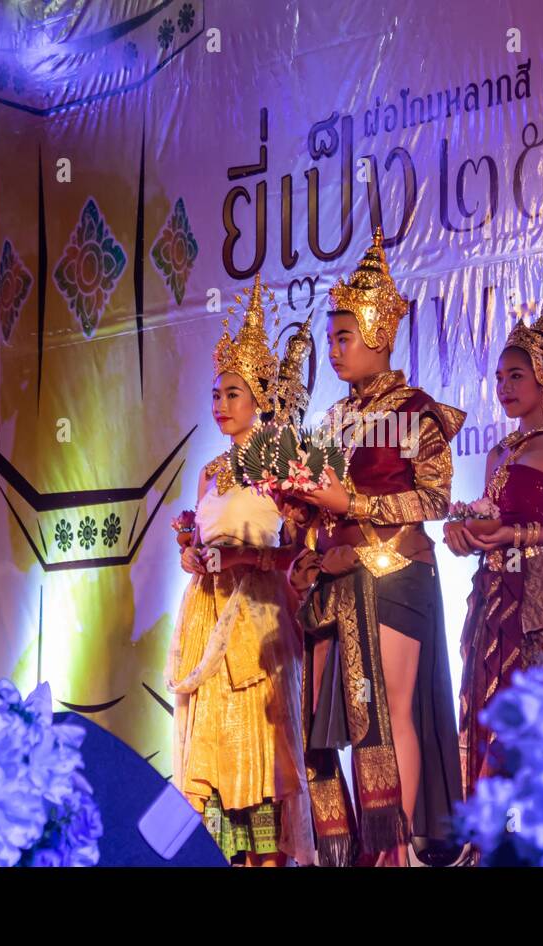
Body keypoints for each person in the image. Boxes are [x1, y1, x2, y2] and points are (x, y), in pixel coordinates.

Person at [283, 228, 465, 867]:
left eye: (343, 336)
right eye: (330, 337)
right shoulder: (332, 419)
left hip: (396, 575)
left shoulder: (417, 412)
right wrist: (303, 522)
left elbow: (436, 501)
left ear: (377, 334)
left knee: (386, 708)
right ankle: (352, 849)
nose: (333, 350)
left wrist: (352, 505)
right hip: (340, 577)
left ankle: (400, 850)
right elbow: (321, 504)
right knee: (344, 718)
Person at [165, 275, 314, 865]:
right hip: (208, 617)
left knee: (260, 750)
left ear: (259, 399)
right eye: (217, 394)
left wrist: (250, 558)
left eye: (233, 394)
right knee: (209, 750)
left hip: (259, 621)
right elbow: (193, 550)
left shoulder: (283, 465)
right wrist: (191, 556)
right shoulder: (208, 472)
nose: (220, 405)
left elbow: (300, 553)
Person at [442, 274, 543, 791]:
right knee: (493, 715)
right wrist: (464, 535)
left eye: (516, 375)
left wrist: (523, 536)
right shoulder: (497, 452)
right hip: (495, 595)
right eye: (499, 378)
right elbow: (488, 516)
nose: (504, 388)